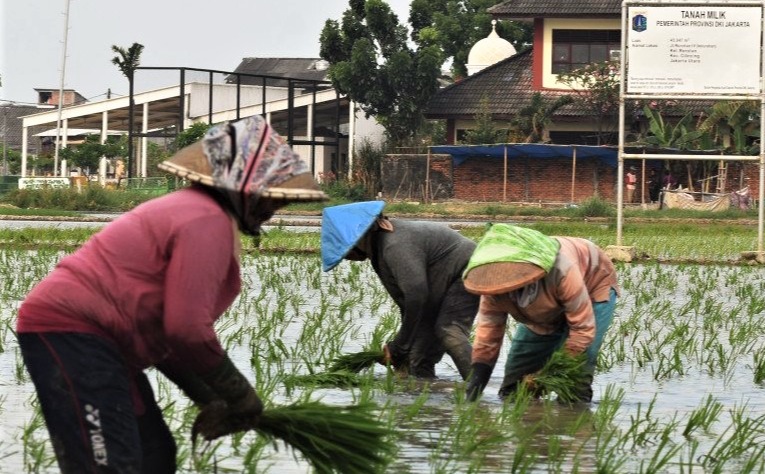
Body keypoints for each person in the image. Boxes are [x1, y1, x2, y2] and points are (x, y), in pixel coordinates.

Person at [15, 115, 327, 473]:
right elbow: (186, 331)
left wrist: (211, 398)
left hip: (108, 344)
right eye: (271, 196)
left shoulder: (203, 214)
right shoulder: (204, 219)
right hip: (73, 332)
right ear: (242, 188)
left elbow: (169, 338)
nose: (276, 208)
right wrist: (241, 396)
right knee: (111, 465)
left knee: (155, 456)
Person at [321, 201, 479, 379]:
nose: (347, 257)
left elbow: (416, 296)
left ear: (359, 237)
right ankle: (426, 398)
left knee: (449, 331)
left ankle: (478, 390)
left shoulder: (394, 245)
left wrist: (399, 345)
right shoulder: (379, 251)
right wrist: (403, 348)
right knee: (418, 358)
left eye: (345, 250)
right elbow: (408, 304)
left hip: (467, 270)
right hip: (439, 284)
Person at [463, 224, 619, 403]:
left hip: (593, 281)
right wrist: (474, 387)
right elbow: (487, 339)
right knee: (514, 388)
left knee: (576, 373)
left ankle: (574, 411)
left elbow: (582, 330)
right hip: (543, 306)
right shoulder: (492, 288)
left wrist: (549, 373)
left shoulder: (562, 270)